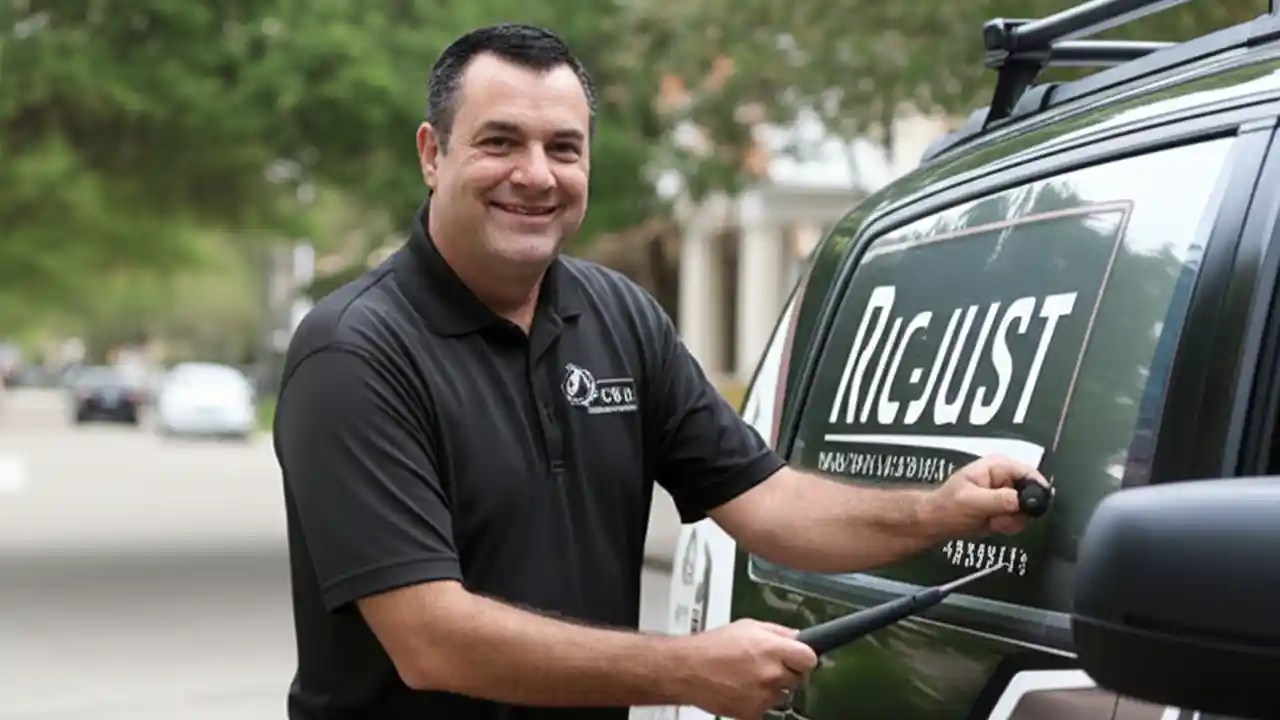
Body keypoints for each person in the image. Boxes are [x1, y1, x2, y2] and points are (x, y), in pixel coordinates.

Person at [272, 22, 1050, 720]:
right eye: (500, 142)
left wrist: (940, 511)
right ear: (432, 154)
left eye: (563, 148)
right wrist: (687, 670)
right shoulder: (355, 352)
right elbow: (430, 639)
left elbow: (771, 504)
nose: (536, 175)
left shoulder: (618, 318)